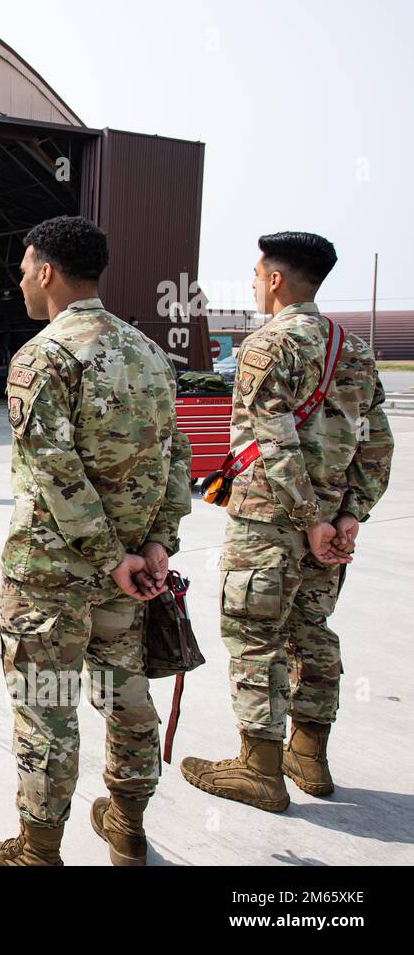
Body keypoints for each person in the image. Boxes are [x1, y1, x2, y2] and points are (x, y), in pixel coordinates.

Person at [0, 216, 192, 867]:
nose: (19, 280)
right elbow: (176, 456)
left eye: (23, 267)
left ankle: (37, 852)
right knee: (127, 699)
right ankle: (127, 825)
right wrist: (154, 546)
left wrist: (110, 555)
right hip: (128, 579)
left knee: (47, 712)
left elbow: (56, 472)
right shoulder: (148, 353)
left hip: (52, 581)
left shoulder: (42, 357)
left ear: (46, 271)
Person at [182, 232, 394, 810]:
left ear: (275, 280)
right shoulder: (353, 349)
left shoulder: (266, 345)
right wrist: (349, 515)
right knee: (312, 633)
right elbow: (378, 443)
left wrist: (307, 519)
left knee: (255, 638)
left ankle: (260, 769)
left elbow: (274, 445)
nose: (253, 283)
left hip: (270, 524)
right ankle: (310, 756)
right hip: (328, 529)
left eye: (256, 274)